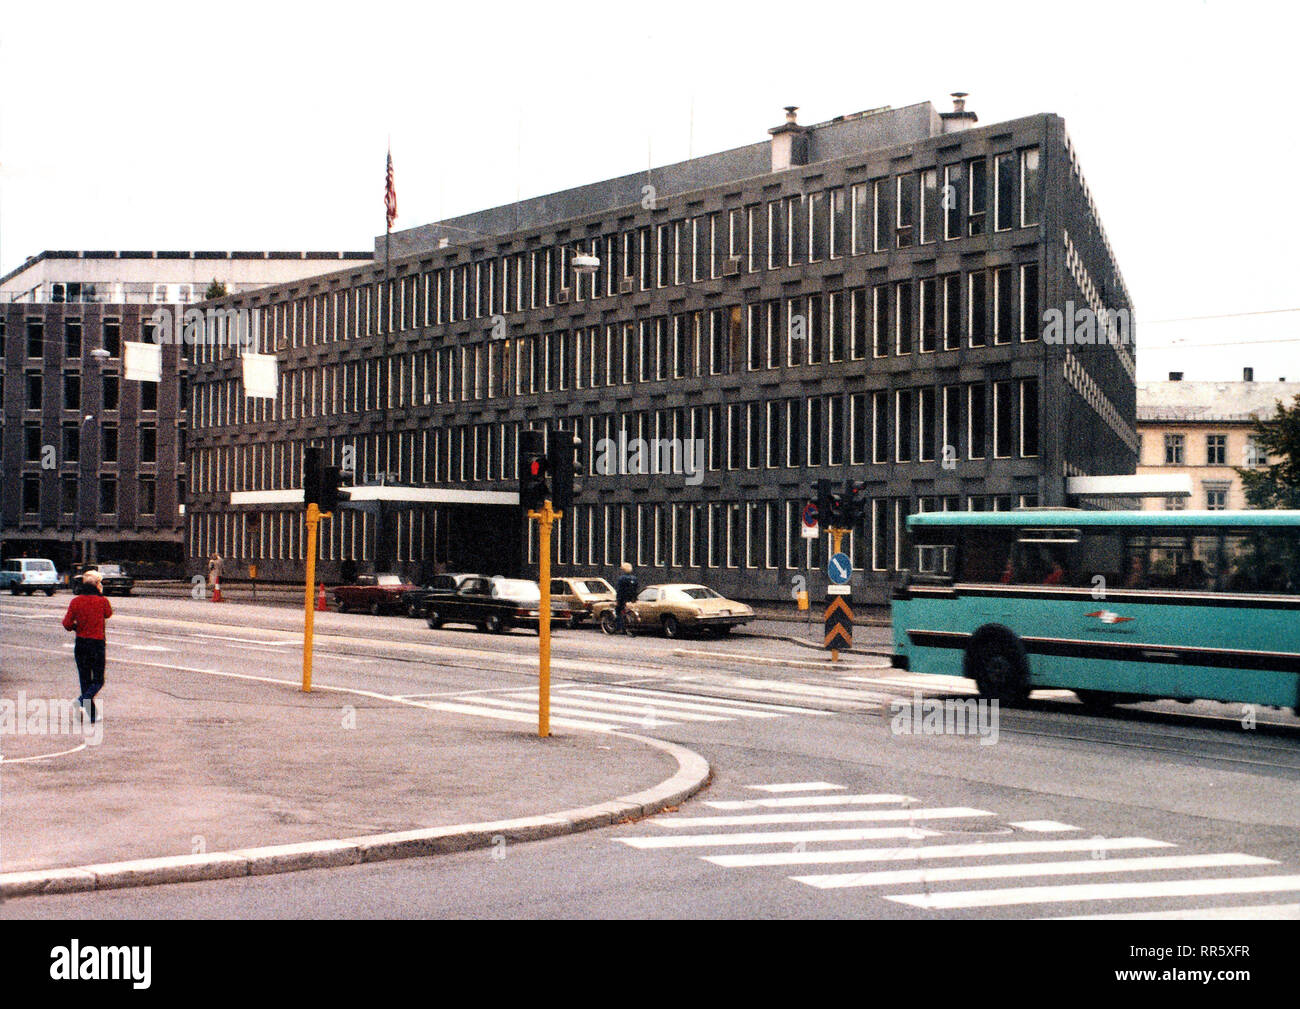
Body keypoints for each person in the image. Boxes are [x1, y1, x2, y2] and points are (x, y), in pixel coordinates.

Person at [62, 569, 113, 723]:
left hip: (81, 643)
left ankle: (92, 715)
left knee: (85, 679)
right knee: (98, 680)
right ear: (97, 585)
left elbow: (67, 624)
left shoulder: (76, 601)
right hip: (97, 643)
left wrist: (77, 627)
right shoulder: (102, 601)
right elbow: (108, 613)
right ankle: (81, 700)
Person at [614, 562, 639, 634]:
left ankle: (620, 628)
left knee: (618, 611)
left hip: (623, 598)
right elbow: (636, 588)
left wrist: (618, 600)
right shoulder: (634, 578)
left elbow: (619, 590)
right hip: (631, 598)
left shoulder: (621, 579)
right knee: (628, 611)